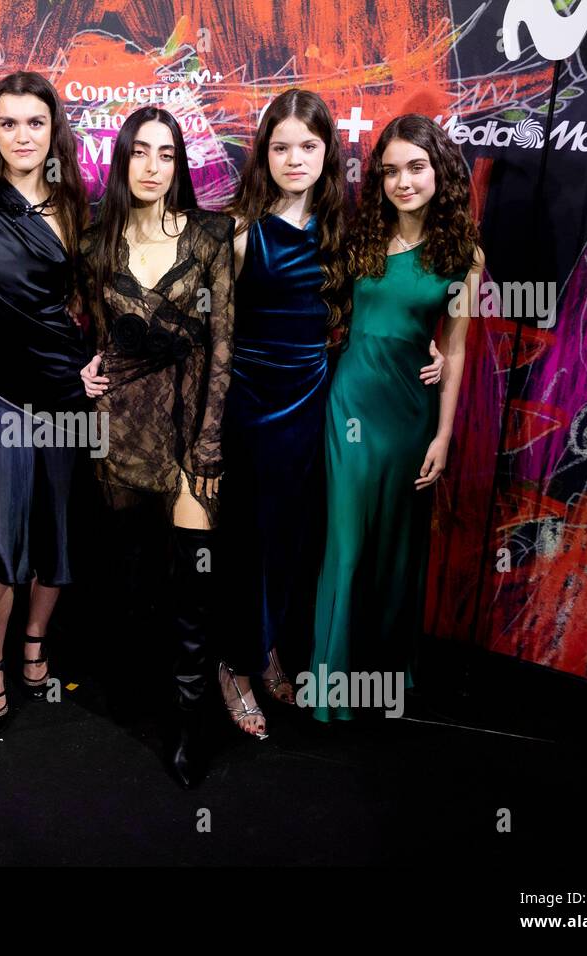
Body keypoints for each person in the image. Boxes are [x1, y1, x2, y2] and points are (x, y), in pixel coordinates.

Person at [214, 90, 444, 738]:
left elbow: (380, 303)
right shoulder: (239, 230)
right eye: (281, 146)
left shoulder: (345, 229)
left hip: (315, 403)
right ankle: (234, 664)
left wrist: (430, 345)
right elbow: (211, 330)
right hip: (250, 404)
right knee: (246, 539)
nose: (294, 158)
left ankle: (268, 652)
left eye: (308, 147)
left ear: (328, 153)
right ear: (264, 152)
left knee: (292, 538)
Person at [78, 106, 235, 788]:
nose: (151, 166)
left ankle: (191, 726)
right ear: (122, 161)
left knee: (194, 588)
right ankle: (145, 697)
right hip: (120, 431)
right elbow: (92, 334)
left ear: (179, 163)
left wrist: (207, 446)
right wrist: (80, 370)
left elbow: (224, 348)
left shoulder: (209, 234)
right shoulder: (94, 245)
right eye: (139, 152)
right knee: (135, 578)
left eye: (165, 154)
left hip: (190, 430)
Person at [310, 113, 483, 721]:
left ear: (440, 171)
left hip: (411, 413)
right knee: (347, 545)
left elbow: (455, 348)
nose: (403, 181)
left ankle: (382, 679)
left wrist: (442, 435)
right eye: (390, 171)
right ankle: (331, 690)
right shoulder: (359, 236)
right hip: (351, 404)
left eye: (416, 167)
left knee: (397, 548)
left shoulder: (464, 253)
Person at [0, 71, 90, 734]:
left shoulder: (73, 201)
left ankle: (37, 643)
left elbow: (98, 295)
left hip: (60, 388)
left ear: (52, 128)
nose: (22, 135)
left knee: (56, 533)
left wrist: (95, 365)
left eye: (35, 122)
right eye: (8, 123)